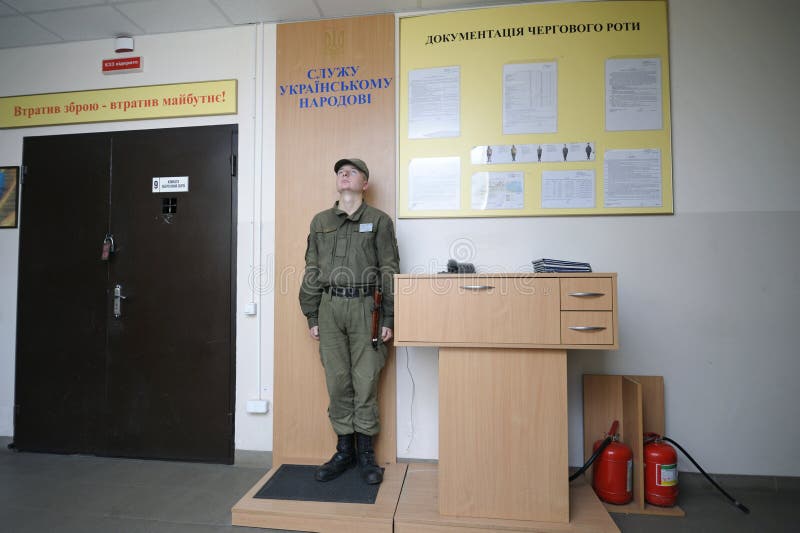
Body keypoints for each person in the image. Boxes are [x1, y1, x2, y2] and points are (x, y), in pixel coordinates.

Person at [299, 158, 400, 485]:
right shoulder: (320, 222)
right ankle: (344, 451)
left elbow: (389, 269)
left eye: (352, 171)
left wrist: (388, 315)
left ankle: (367, 455)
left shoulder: (379, 221)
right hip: (330, 307)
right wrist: (312, 313)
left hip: (366, 308)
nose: (344, 174)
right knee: (337, 381)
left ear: (365, 183)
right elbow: (312, 268)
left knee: (366, 380)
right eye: (340, 171)